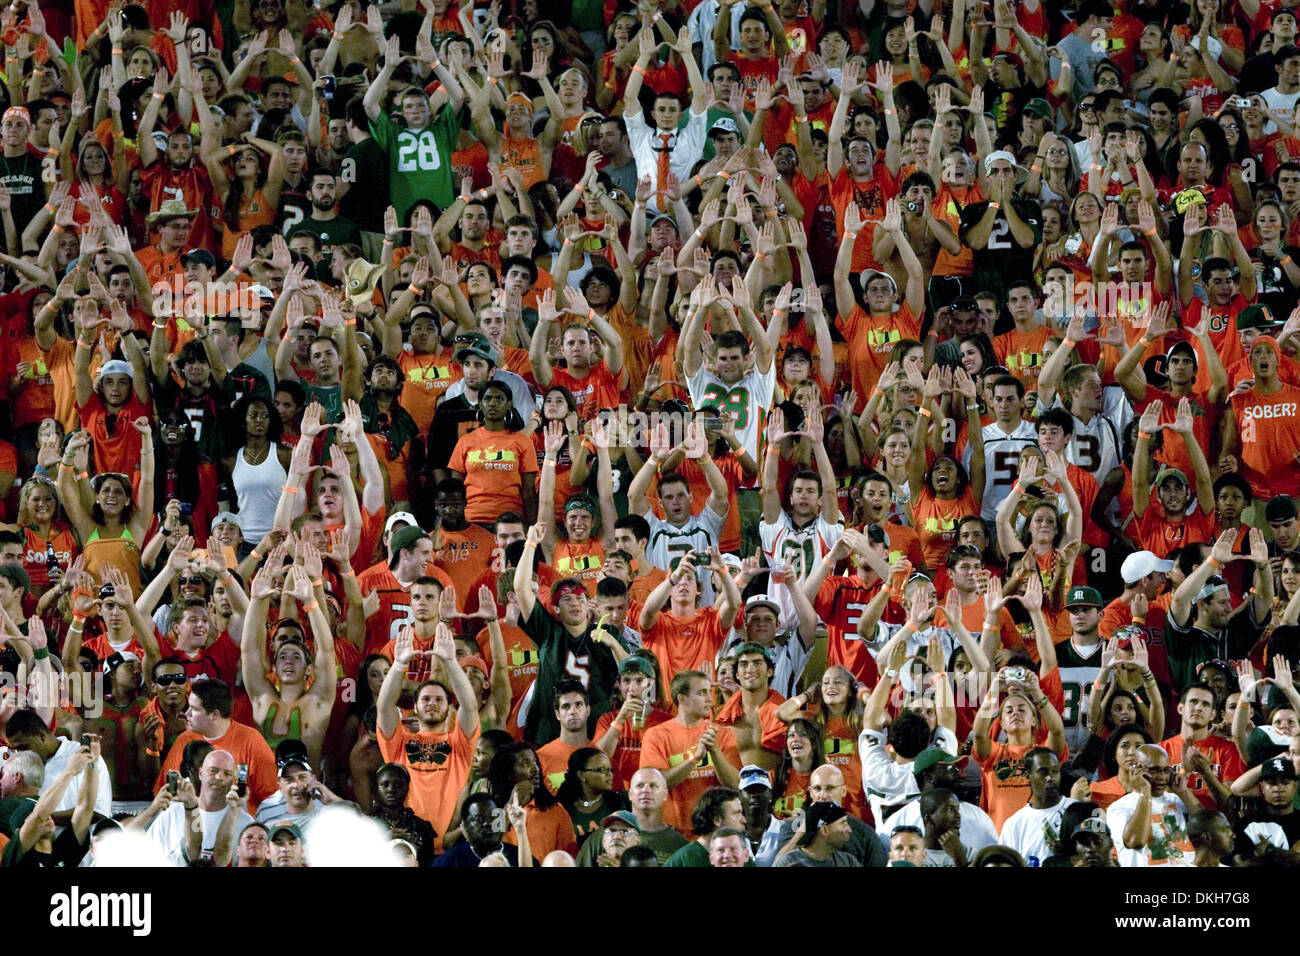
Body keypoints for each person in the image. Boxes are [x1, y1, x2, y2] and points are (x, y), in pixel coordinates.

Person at [376, 623, 480, 840]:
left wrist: (451, 662)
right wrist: (398, 665)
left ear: (448, 705)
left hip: (450, 845)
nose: (432, 703)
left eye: (439, 699)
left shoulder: (460, 744)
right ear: (414, 707)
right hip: (407, 844)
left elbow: (469, 705)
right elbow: (384, 706)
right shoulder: (399, 744)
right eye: (426, 699)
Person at [997, 749, 1079, 867]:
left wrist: (1068, 853)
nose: (1050, 777)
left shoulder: (1078, 810)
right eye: (1043, 772)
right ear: (1028, 776)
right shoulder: (1014, 824)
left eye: (1055, 771)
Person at [774, 800, 859, 867]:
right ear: (825, 830)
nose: (849, 830)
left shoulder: (848, 862)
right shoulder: (787, 863)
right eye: (843, 823)